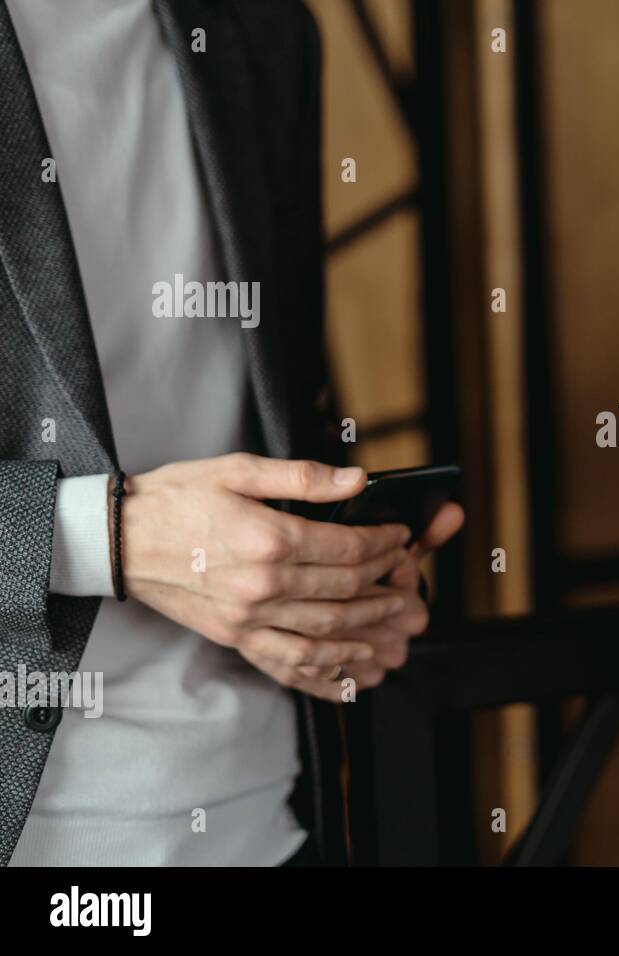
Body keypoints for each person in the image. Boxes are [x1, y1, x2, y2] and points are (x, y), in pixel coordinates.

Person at [0, 0, 460, 866]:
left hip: (265, 815)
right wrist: (113, 538)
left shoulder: (263, 27)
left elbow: (281, 414)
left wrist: (345, 584)